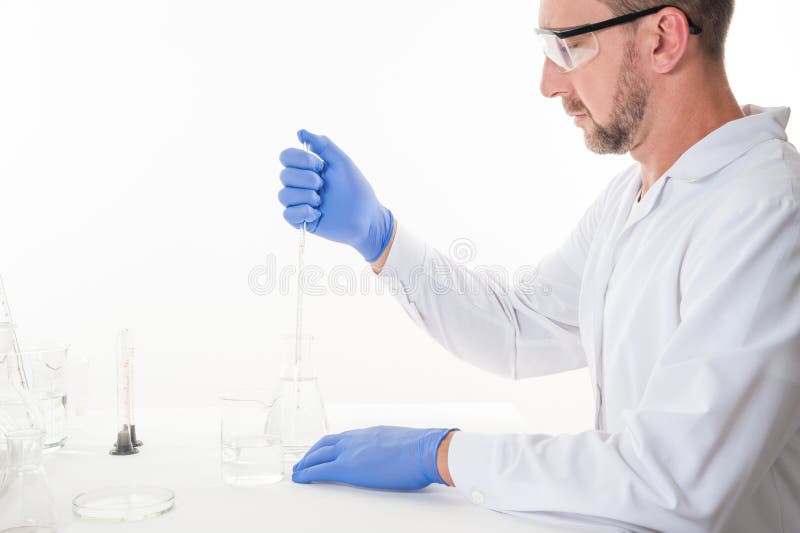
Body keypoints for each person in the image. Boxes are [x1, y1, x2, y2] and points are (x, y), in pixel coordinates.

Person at [277, 1, 800, 531]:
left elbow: (674, 482)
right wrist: (381, 238)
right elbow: (521, 326)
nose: (548, 83)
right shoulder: (636, 196)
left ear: (663, 38)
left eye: (569, 45)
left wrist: (442, 455)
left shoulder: (769, 213)